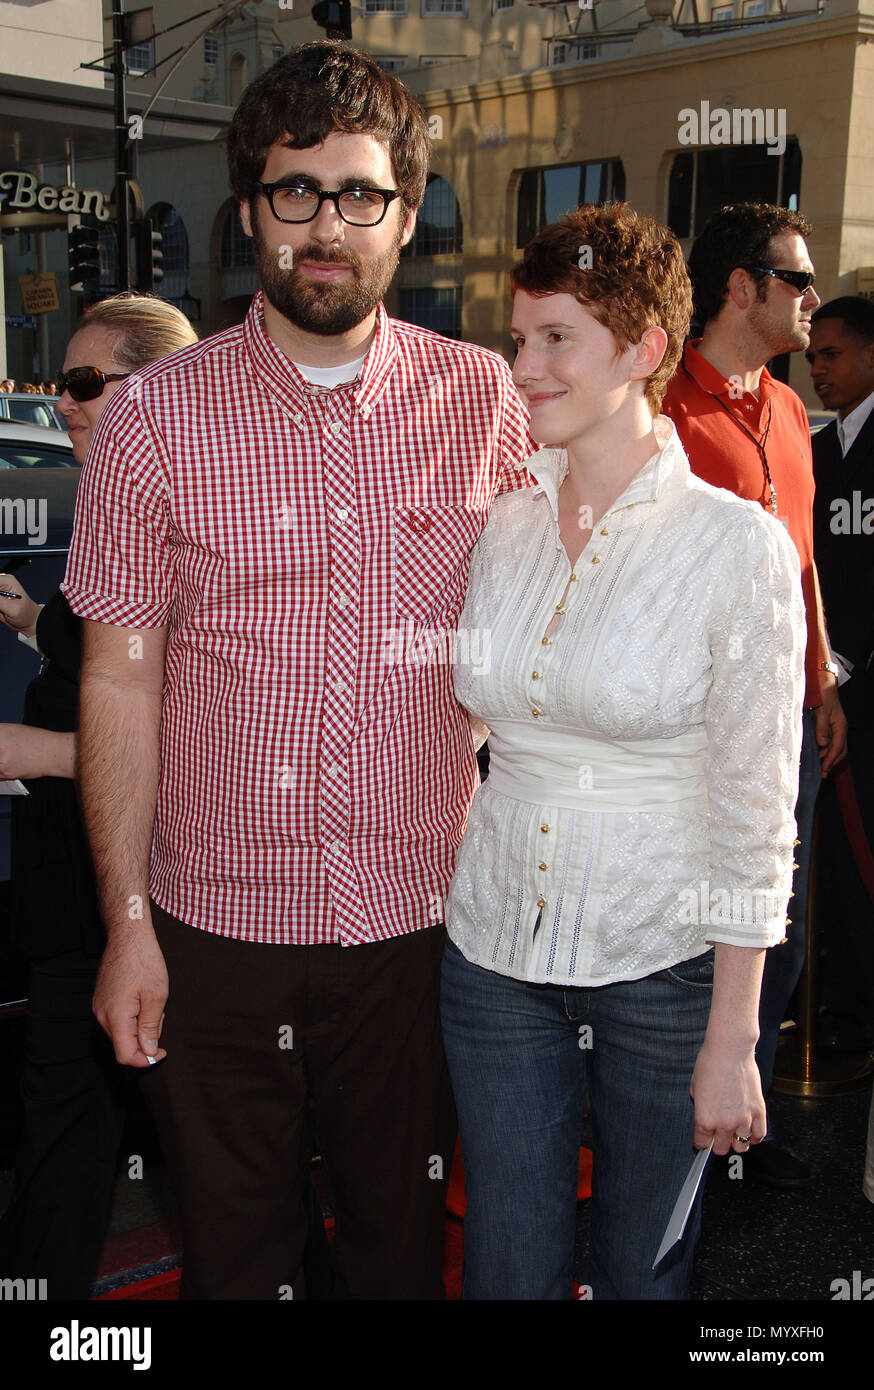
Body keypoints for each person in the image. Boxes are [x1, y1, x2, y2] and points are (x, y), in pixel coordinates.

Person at [61, 41, 532, 1301]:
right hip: (210, 928)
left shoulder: (485, 401)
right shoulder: (159, 416)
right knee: (234, 1259)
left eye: (360, 193)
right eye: (295, 192)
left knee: (396, 1247)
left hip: (423, 924)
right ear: (249, 206)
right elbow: (119, 678)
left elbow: (545, 635)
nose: (328, 226)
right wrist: (126, 928)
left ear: (407, 211)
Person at [440, 201, 806, 1301]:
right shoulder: (502, 524)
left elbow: (755, 805)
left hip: (666, 964)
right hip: (492, 956)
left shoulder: (733, 546)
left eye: (557, 338)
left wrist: (734, 1036)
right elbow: (475, 719)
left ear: (643, 350)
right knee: (507, 1265)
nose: (524, 365)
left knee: (646, 1277)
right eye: (519, 337)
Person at [0, 294, 198, 1299]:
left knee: (102, 1130)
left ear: (153, 387)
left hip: (129, 896)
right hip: (77, 889)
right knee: (83, 1127)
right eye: (59, 385)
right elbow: (104, 662)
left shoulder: (176, 518)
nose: (62, 406)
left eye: (82, 386)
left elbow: (188, 740)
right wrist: (41, 624)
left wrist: (25, 749)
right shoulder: (113, 512)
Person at [661, 202, 847, 1190]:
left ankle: (744, 1131)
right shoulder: (656, 408)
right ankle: (684, 1140)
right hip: (695, 730)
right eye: (795, 279)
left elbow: (801, 561)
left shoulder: (784, 409)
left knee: (776, 930)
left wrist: (822, 679)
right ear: (741, 287)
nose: (812, 296)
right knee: (703, 935)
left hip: (789, 721)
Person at [807, 297, 874, 1040]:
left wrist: (842, 659)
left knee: (861, 861)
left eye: (834, 353)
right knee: (824, 862)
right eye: (814, 355)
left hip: (861, 686)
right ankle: (830, 998)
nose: (818, 367)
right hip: (820, 686)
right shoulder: (819, 450)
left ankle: (855, 1011)